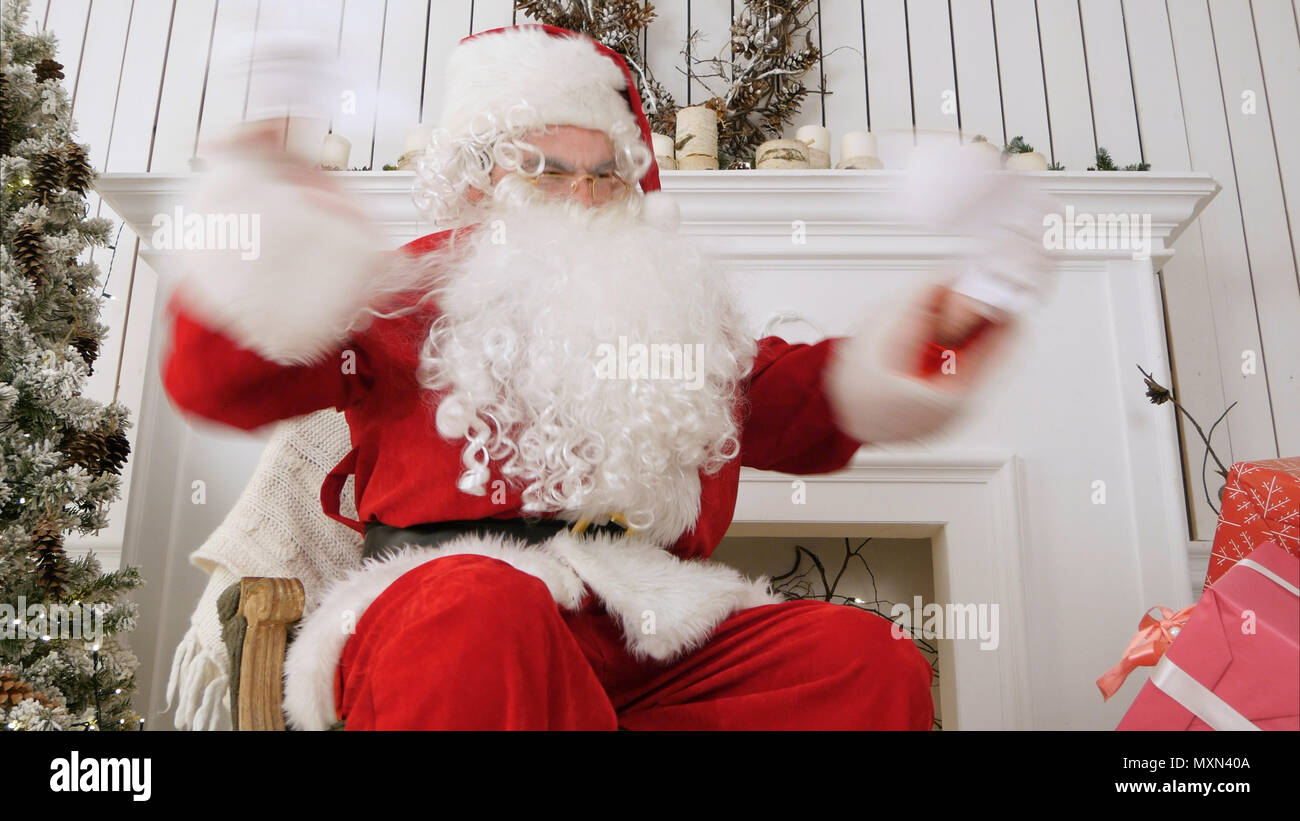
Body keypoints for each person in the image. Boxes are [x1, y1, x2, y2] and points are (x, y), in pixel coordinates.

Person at [162, 24, 1024, 730]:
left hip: (650, 626)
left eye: (605, 171)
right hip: (446, 610)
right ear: (478, 179)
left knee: (857, 657)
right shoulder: (402, 293)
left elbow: (816, 399)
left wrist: (937, 340)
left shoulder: (669, 311)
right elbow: (222, 383)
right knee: (478, 612)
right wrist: (254, 228)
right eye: (545, 169)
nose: (582, 194)